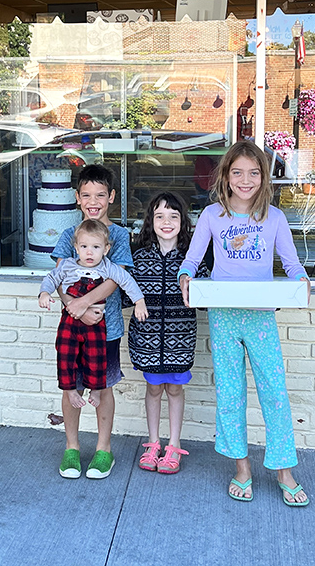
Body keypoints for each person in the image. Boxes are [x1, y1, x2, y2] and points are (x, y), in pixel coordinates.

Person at [178, 140, 311, 507]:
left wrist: (302, 281)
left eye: (254, 172)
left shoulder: (275, 218)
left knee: (274, 392)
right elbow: (190, 261)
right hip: (223, 316)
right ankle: (241, 468)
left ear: (263, 177)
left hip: (261, 317)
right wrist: (185, 278)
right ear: (225, 176)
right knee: (231, 394)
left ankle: (284, 469)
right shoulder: (211, 216)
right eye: (237, 172)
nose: (245, 180)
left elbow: (292, 262)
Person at [50, 164, 132, 480]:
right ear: (77, 197)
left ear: (111, 196)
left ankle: (103, 449)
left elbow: (116, 279)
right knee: (71, 385)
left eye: (100, 194)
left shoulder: (120, 235)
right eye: (86, 195)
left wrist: (85, 302)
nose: (93, 201)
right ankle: (71, 447)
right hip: (72, 329)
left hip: (106, 327)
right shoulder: (70, 235)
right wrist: (75, 306)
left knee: (103, 385)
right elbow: (60, 277)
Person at [39, 219, 147, 412]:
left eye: (96, 247)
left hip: (97, 322)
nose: (90, 252)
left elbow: (126, 281)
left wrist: (139, 301)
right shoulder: (68, 265)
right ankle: (70, 389)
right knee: (65, 355)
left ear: (106, 249)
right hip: (71, 321)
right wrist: (45, 293)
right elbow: (52, 278)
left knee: (97, 358)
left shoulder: (107, 267)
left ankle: (96, 390)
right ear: (76, 247)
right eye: (84, 246)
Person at [128, 192, 198, 474]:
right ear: (150, 221)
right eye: (159, 216)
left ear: (183, 221)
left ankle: (173, 444)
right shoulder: (139, 257)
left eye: (173, 216)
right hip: (146, 340)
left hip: (180, 339)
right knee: (154, 388)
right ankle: (153, 442)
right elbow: (125, 293)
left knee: (175, 388)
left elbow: (204, 296)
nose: (166, 222)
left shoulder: (192, 259)